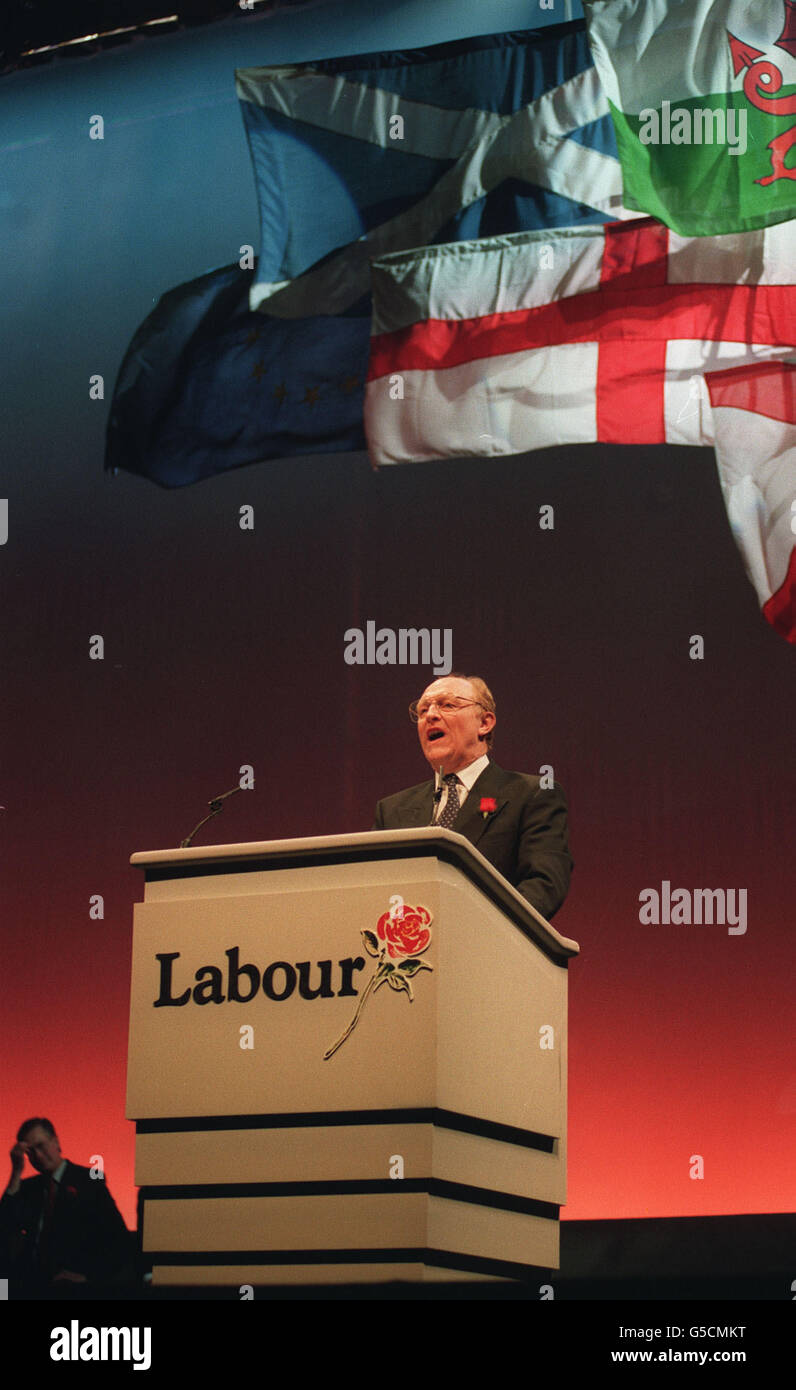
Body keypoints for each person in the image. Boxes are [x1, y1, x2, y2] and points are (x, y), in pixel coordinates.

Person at [373, 674, 572, 920]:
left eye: (448, 705)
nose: (431, 715)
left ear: (485, 723)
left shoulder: (531, 795)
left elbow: (543, 885)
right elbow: (373, 891)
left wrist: (476, 929)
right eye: (423, 710)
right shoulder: (392, 810)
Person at [0, 1117, 133, 1290]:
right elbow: (4, 1226)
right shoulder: (28, 1188)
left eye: (41, 1146)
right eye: (30, 1151)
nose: (38, 1156)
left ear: (56, 1142)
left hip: (68, 1286)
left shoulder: (88, 1181)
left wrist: (89, 1277)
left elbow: (118, 1239)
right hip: (30, 1284)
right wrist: (16, 1171)